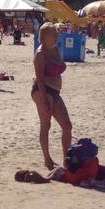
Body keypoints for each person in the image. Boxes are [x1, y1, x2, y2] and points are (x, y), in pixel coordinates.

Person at [31, 22, 72, 171]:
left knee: (67, 126)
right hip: (42, 90)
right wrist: (44, 99)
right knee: (46, 125)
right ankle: (47, 159)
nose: (56, 37)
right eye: (53, 35)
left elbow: (59, 65)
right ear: (44, 37)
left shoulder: (55, 49)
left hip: (55, 91)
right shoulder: (40, 54)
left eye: (56, 34)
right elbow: (40, 79)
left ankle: (67, 160)